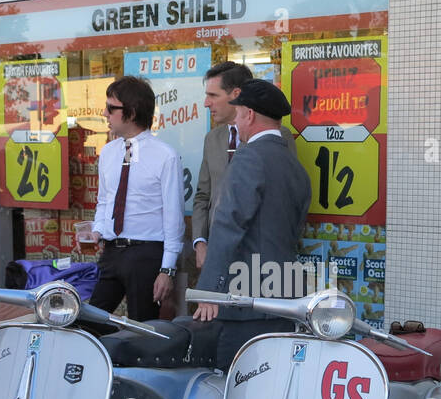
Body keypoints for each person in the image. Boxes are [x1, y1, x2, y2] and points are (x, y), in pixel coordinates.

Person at [194, 80, 311, 370]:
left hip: (248, 301)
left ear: (249, 115)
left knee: (236, 387)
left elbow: (227, 225)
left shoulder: (249, 157)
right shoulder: (293, 164)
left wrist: (208, 291)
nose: (235, 122)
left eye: (237, 115)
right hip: (285, 293)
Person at [87, 76, 183, 322]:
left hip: (146, 253)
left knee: (142, 328)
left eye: (111, 108)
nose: (104, 113)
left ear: (130, 113)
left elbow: (173, 217)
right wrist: (97, 230)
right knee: (90, 321)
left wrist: (167, 270)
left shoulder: (165, 156)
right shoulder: (108, 152)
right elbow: (105, 201)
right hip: (112, 250)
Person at [191, 62, 296, 269]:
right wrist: (200, 242)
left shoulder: (277, 137)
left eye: (213, 95)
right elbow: (203, 195)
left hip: (260, 259)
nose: (206, 103)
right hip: (216, 254)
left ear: (235, 94)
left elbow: (287, 199)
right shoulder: (212, 139)